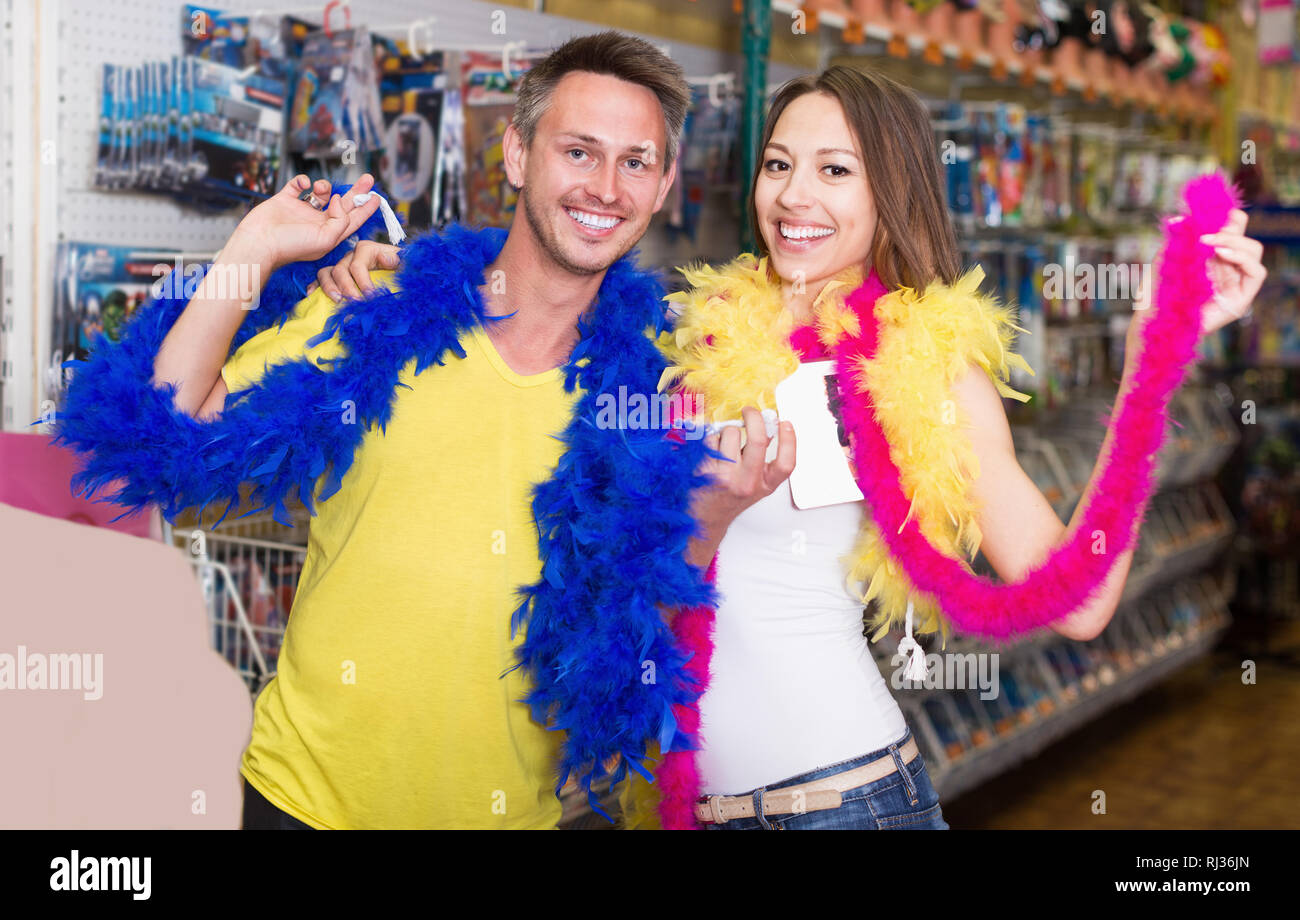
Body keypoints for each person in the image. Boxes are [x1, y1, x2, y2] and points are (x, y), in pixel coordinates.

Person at [333, 65, 1264, 830]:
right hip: (697, 806)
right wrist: (406, 276)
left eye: (835, 171)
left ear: (888, 191)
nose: (795, 196)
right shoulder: (693, 329)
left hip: (844, 804)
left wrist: (1156, 362)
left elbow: (1082, 602)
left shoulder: (926, 369)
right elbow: (546, 307)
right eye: (779, 164)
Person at [50, 31, 715, 830]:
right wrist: (254, 248)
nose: (605, 187)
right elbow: (166, 426)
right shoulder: (377, 309)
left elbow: (658, 617)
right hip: (300, 801)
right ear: (514, 152)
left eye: (635, 162)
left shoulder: (661, 388)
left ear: (665, 182)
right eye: (579, 151)